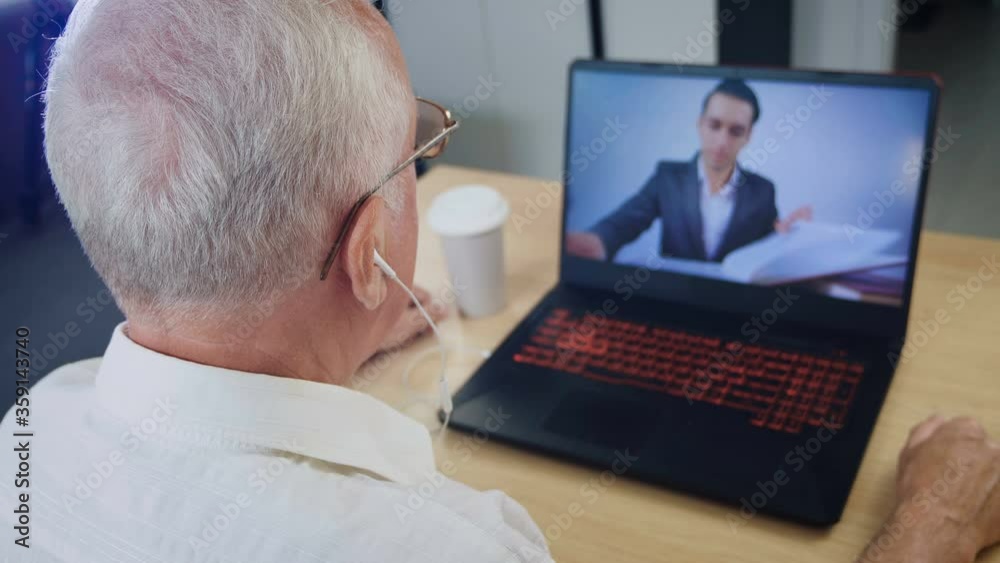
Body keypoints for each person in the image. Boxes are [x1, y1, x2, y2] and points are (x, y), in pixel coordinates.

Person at [1, 2, 997, 562]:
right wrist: (935, 526)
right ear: (363, 252)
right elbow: (612, 235)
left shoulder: (28, 436)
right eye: (417, 148)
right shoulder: (449, 547)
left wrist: (344, 328)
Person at [566, 79, 812, 262]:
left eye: (736, 131)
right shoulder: (667, 177)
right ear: (700, 124)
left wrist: (791, 236)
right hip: (675, 303)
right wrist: (596, 242)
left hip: (737, 309)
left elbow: (767, 248)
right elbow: (624, 222)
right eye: (714, 125)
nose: (722, 141)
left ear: (748, 136)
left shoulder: (764, 191)